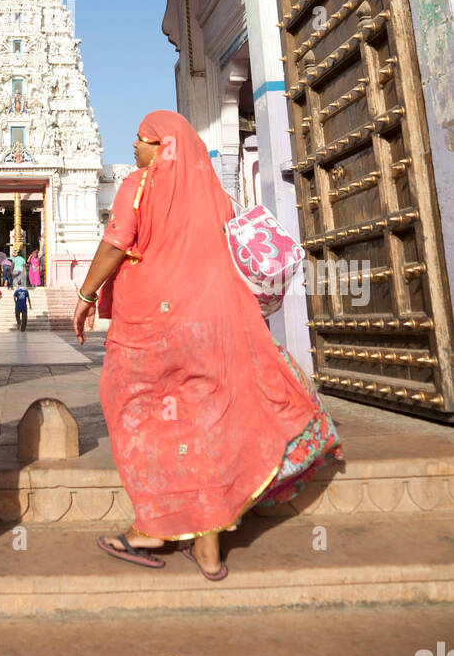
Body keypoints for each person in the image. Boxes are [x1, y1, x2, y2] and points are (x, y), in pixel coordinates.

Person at [73, 109, 341, 580]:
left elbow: (116, 241)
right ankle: (208, 546)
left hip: (149, 327)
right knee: (201, 422)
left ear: (164, 149)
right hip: (209, 325)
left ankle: (152, 529)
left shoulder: (138, 183)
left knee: (136, 411)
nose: (134, 147)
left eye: (142, 140)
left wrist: (86, 294)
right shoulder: (216, 195)